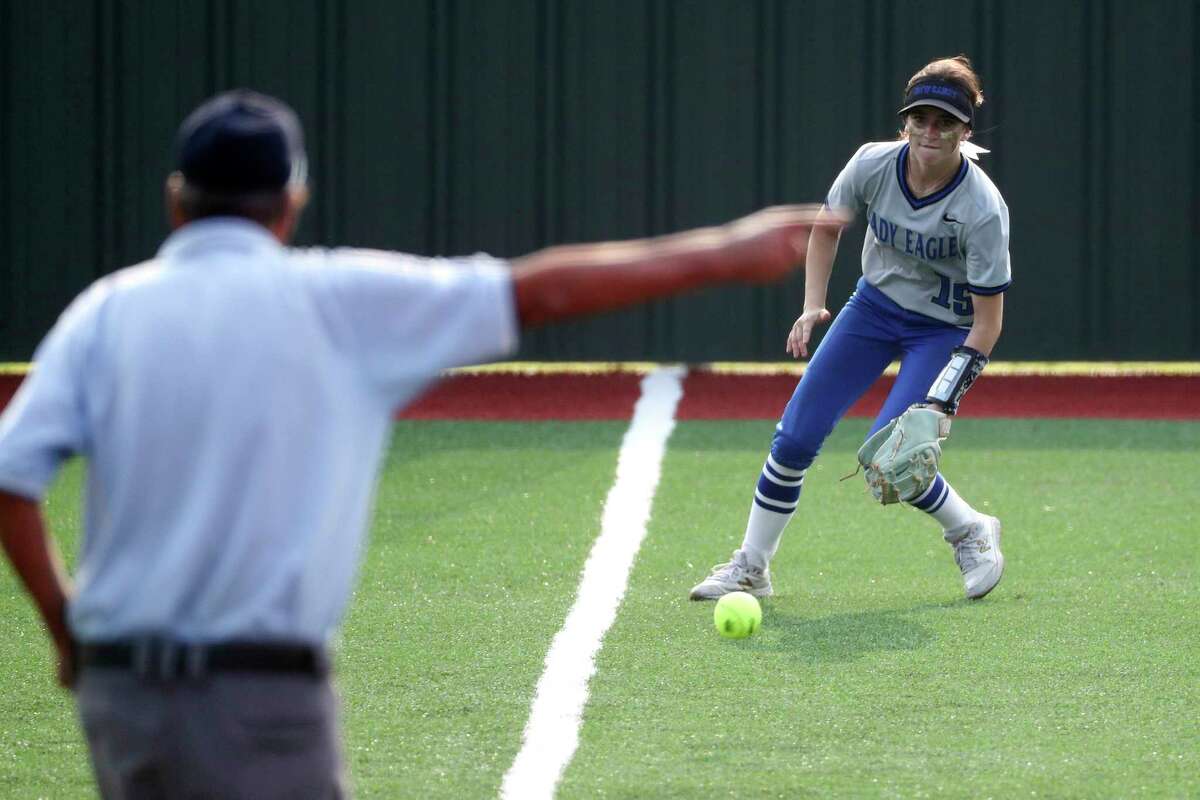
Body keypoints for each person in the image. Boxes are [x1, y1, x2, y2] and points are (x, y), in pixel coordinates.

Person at [0, 89, 833, 798]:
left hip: (118, 696)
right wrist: (726, 253)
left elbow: (10, 476)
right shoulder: (336, 298)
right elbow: (541, 292)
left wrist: (66, 628)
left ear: (176, 200)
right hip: (260, 696)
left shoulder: (105, 311)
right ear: (292, 203)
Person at [689, 55, 1009, 603]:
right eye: (921, 118)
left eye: (945, 122)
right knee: (793, 437)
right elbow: (826, 229)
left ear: (964, 131)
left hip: (942, 329)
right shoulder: (873, 164)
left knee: (896, 453)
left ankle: (971, 530)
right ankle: (752, 567)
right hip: (873, 308)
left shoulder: (981, 207)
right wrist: (814, 304)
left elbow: (988, 323)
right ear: (904, 121)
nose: (930, 131)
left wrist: (943, 401)